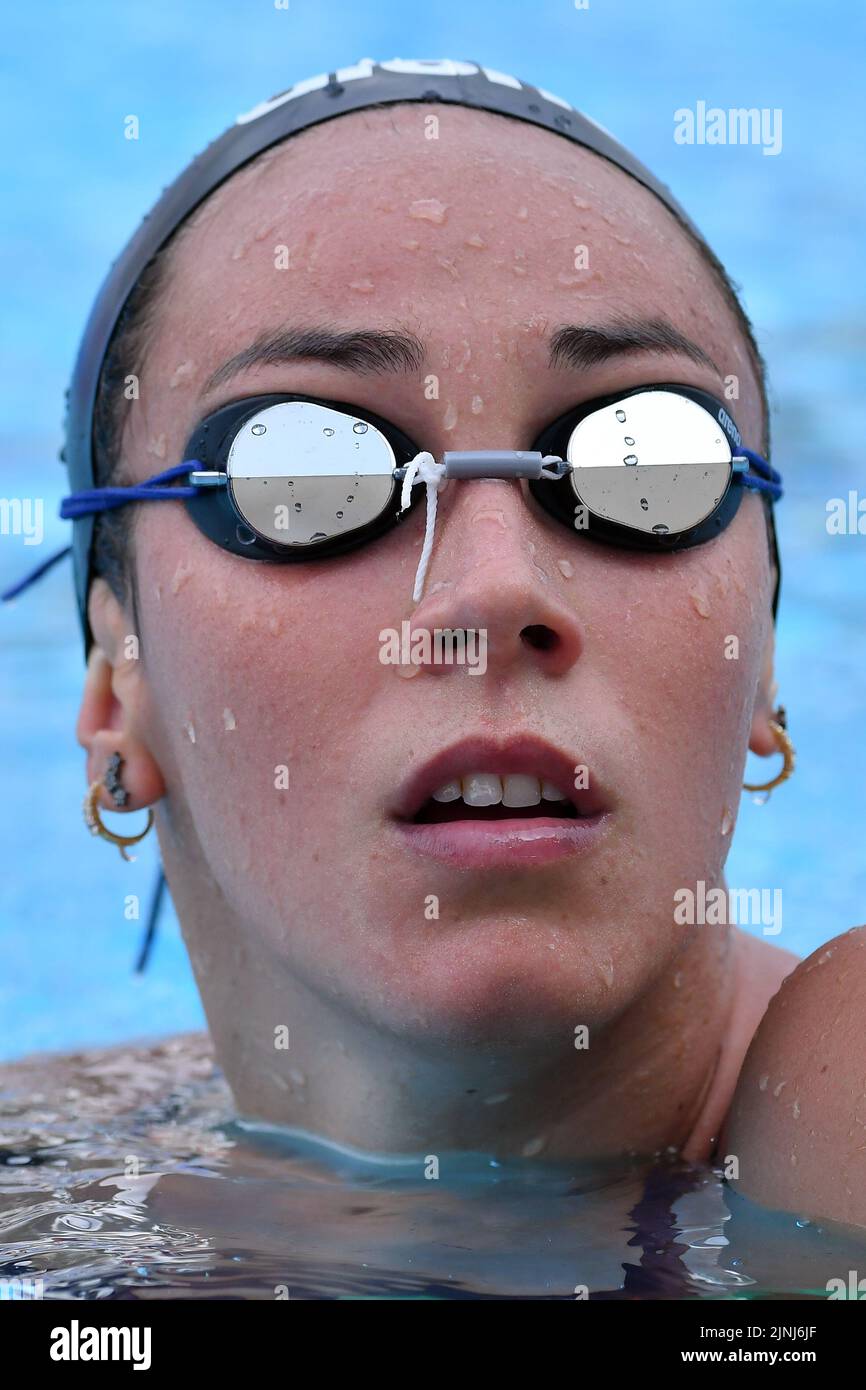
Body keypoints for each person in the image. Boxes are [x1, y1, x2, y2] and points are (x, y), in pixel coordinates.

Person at [4, 59, 864, 1240]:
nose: (496, 585)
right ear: (117, 682)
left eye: (643, 463)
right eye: (308, 473)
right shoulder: (51, 1177)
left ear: (760, 652)